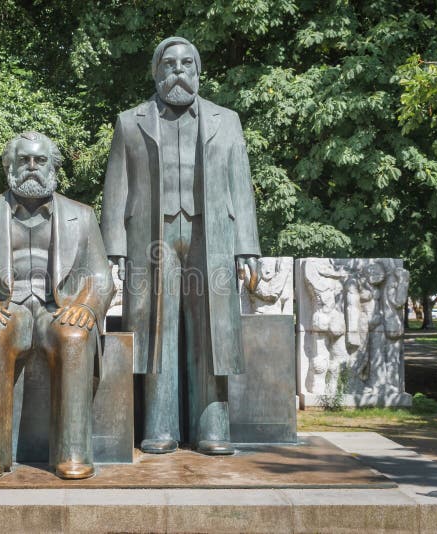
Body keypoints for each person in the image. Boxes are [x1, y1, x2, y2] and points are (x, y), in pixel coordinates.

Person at [101, 37, 260, 455]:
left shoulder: (227, 120)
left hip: (213, 234)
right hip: (151, 236)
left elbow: (241, 187)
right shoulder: (128, 121)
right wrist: (113, 246)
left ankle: (212, 428)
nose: (178, 71)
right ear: (156, 72)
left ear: (198, 71)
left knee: (213, 331)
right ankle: (159, 427)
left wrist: (248, 247)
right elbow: (115, 187)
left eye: (186, 63)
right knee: (156, 328)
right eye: (168, 64)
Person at [0, 132, 114, 480]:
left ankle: (72, 453)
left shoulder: (81, 216)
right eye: (22, 159)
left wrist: (87, 306)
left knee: (74, 335)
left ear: (53, 166)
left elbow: (102, 277)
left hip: (58, 307)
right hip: (4, 307)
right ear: (8, 166)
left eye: (39, 160)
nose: (31, 167)